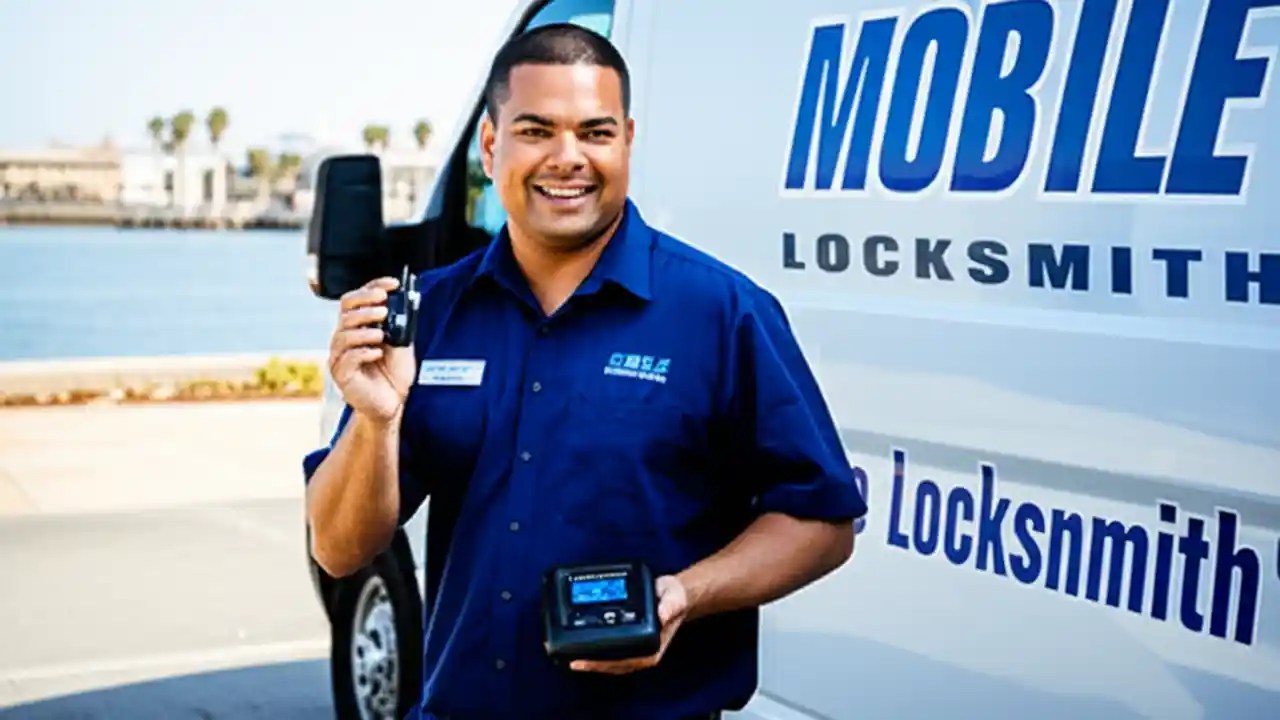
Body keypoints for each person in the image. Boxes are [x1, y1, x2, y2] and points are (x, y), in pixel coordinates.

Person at [303, 22, 867, 720]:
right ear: (491, 147)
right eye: (536, 131)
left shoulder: (724, 312)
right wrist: (376, 420)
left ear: (627, 141)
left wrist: (687, 594)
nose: (568, 158)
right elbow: (339, 549)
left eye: (595, 133)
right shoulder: (432, 314)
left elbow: (821, 523)